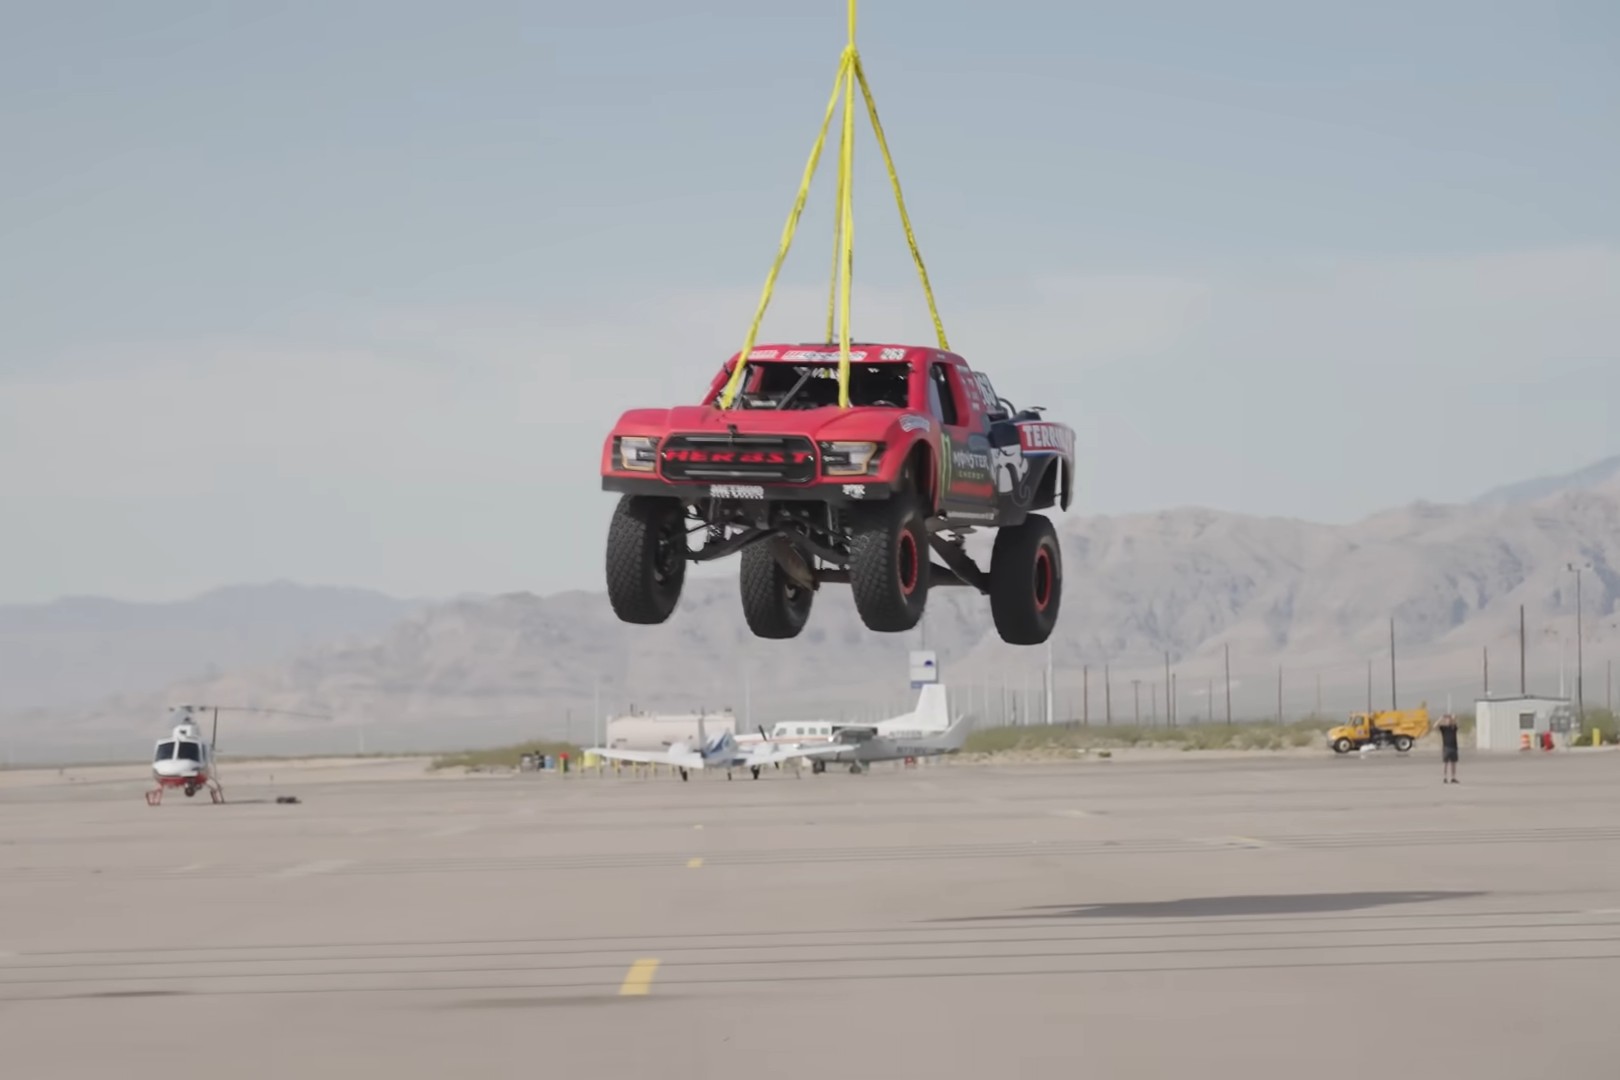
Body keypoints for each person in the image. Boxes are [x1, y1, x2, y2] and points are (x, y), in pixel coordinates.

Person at [1439, 712, 1459, 783]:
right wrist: (1440, 719)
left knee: (1453, 763)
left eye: (1449, 720)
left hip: (1454, 747)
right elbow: (1434, 726)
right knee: (1445, 763)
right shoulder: (1443, 728)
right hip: (1446, 747)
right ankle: (1445, 777)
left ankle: (1453, 777)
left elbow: (1456, 724)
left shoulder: (1453, 727)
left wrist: (1453, 718)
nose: (1449, 721)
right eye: (1447, 720)